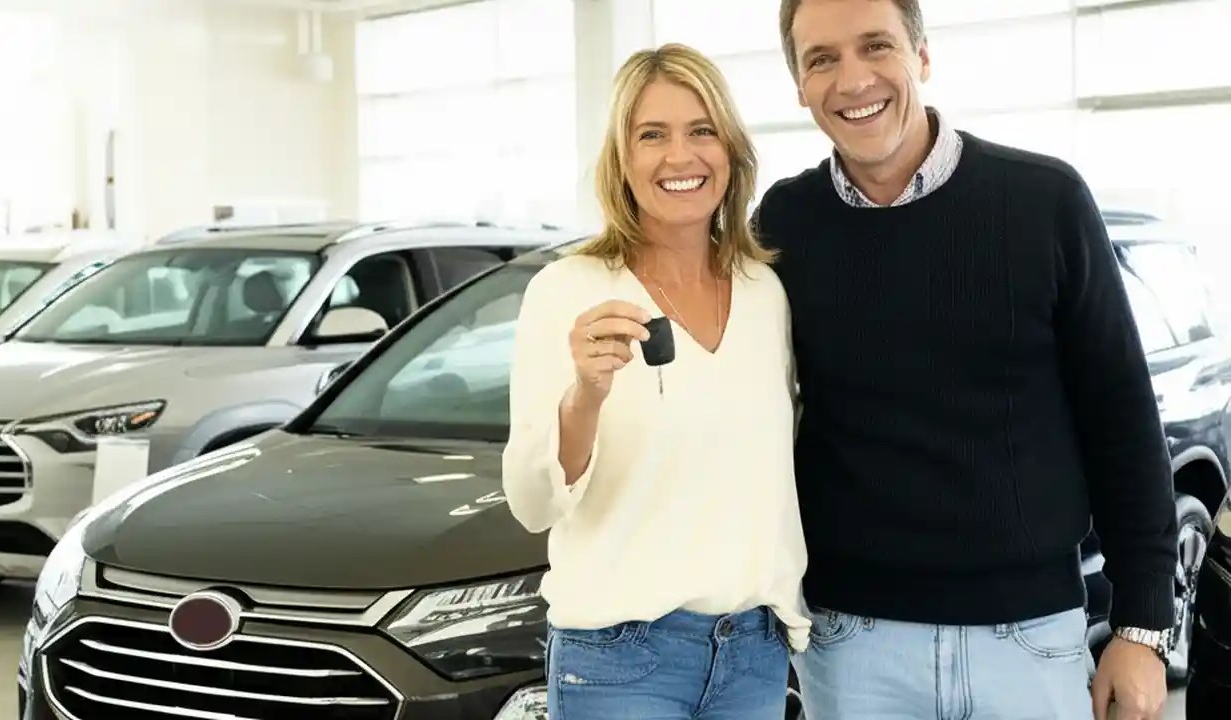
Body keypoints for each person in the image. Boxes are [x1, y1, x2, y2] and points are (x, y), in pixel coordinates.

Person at [751, 1, 1180, 719]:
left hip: (1029, 639)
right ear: (798, 83)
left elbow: (1123, 422)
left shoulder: (1045, 202)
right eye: (821, 58)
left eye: (875, 46)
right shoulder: (786, 223)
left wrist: (1141, 625)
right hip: (852, 646)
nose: (852, 79)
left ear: (922, 56)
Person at [501, 43, 810, 719]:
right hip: (620, 660)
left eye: (702, 131)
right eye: (652, 135)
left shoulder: (765, 292)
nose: (681, 157)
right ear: (621, 160)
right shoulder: (567, 289)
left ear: (731, 150)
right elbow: (531, 504)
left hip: (754, 652)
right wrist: (585, 392)